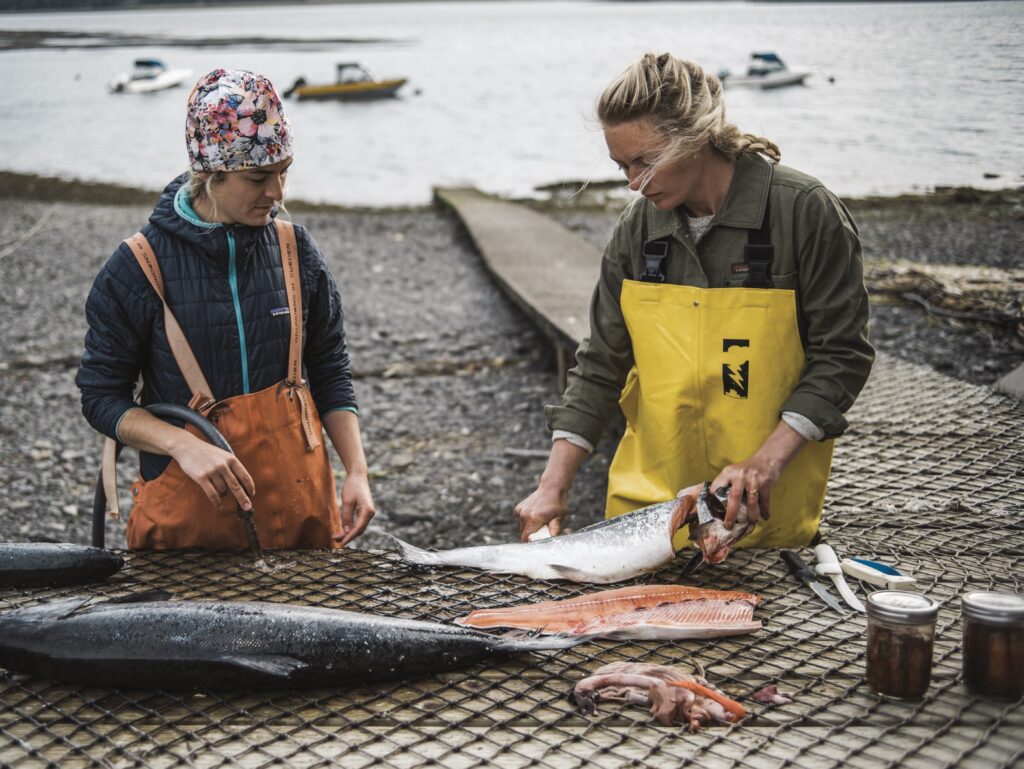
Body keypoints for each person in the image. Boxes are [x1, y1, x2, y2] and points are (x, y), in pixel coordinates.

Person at [515, 53, 874, 550]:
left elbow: (842, 357)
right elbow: (600, 363)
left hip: (761, 522)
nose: (634, 182)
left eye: (646, 161)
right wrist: (551, 486)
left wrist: (764, 462)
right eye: (622, 166)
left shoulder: (804, 212)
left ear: (698, 136)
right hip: (645, 521)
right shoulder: (637, 228)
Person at [76, 68, 375, 550]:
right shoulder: (137, 267)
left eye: (284, 172)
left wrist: (357, 471)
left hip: (301, 514)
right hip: (187, 525)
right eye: (258, 177)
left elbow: (330, 370)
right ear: (211, 174)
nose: (277, 193)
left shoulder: (296, 250)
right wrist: (181, 443)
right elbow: (101, 399)